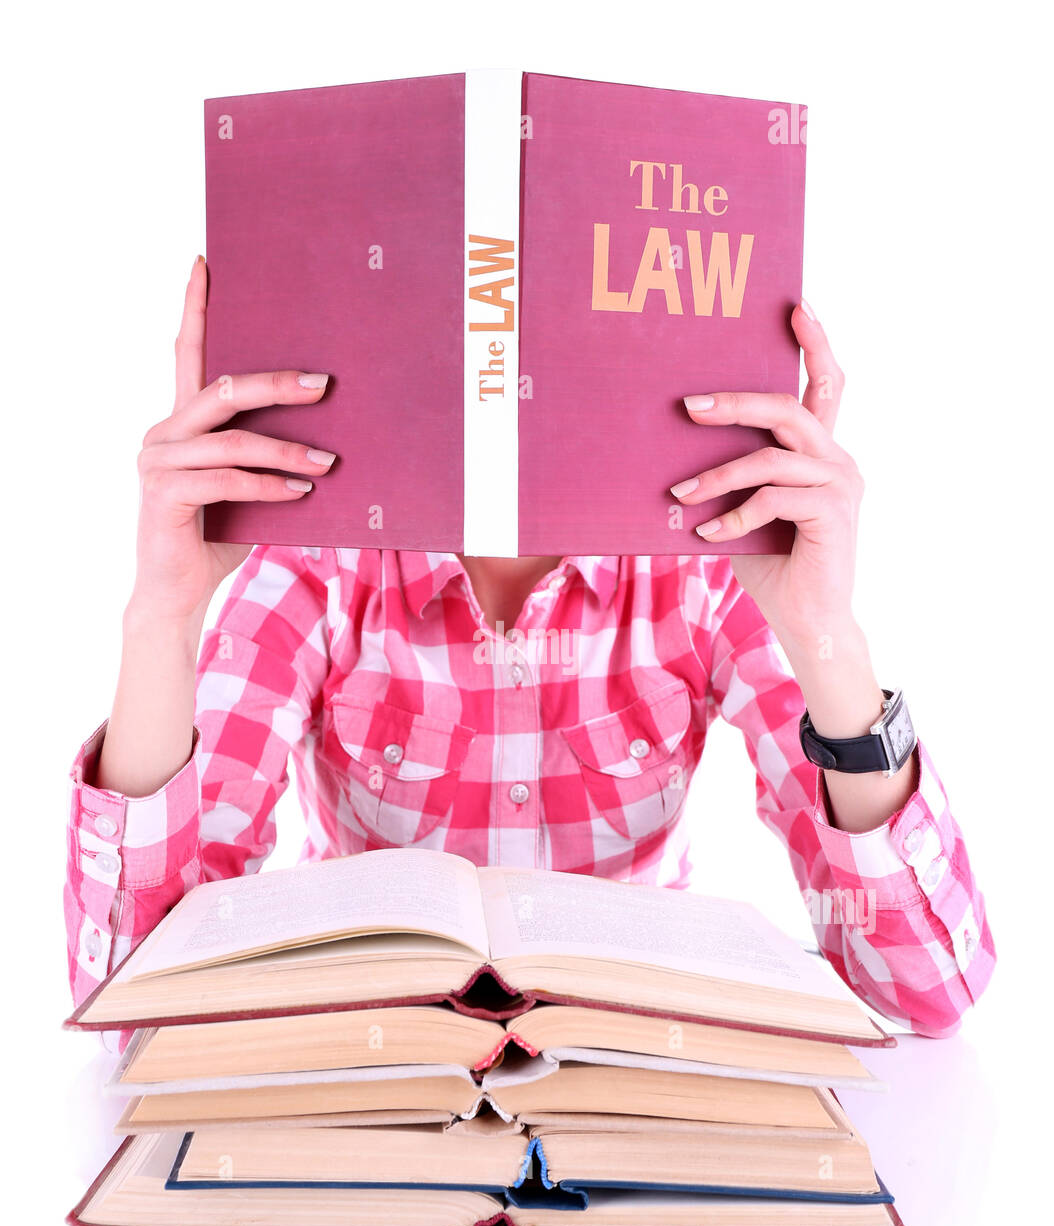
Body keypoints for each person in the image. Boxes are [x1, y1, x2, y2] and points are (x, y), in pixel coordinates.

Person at [63, 257, 994, 1038]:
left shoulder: (704, 565)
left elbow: (927, 990)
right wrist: (162, 615)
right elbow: (129, 997)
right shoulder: (319, 562)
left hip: (634, 1073)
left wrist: (824, 632)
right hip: (379, 1078)